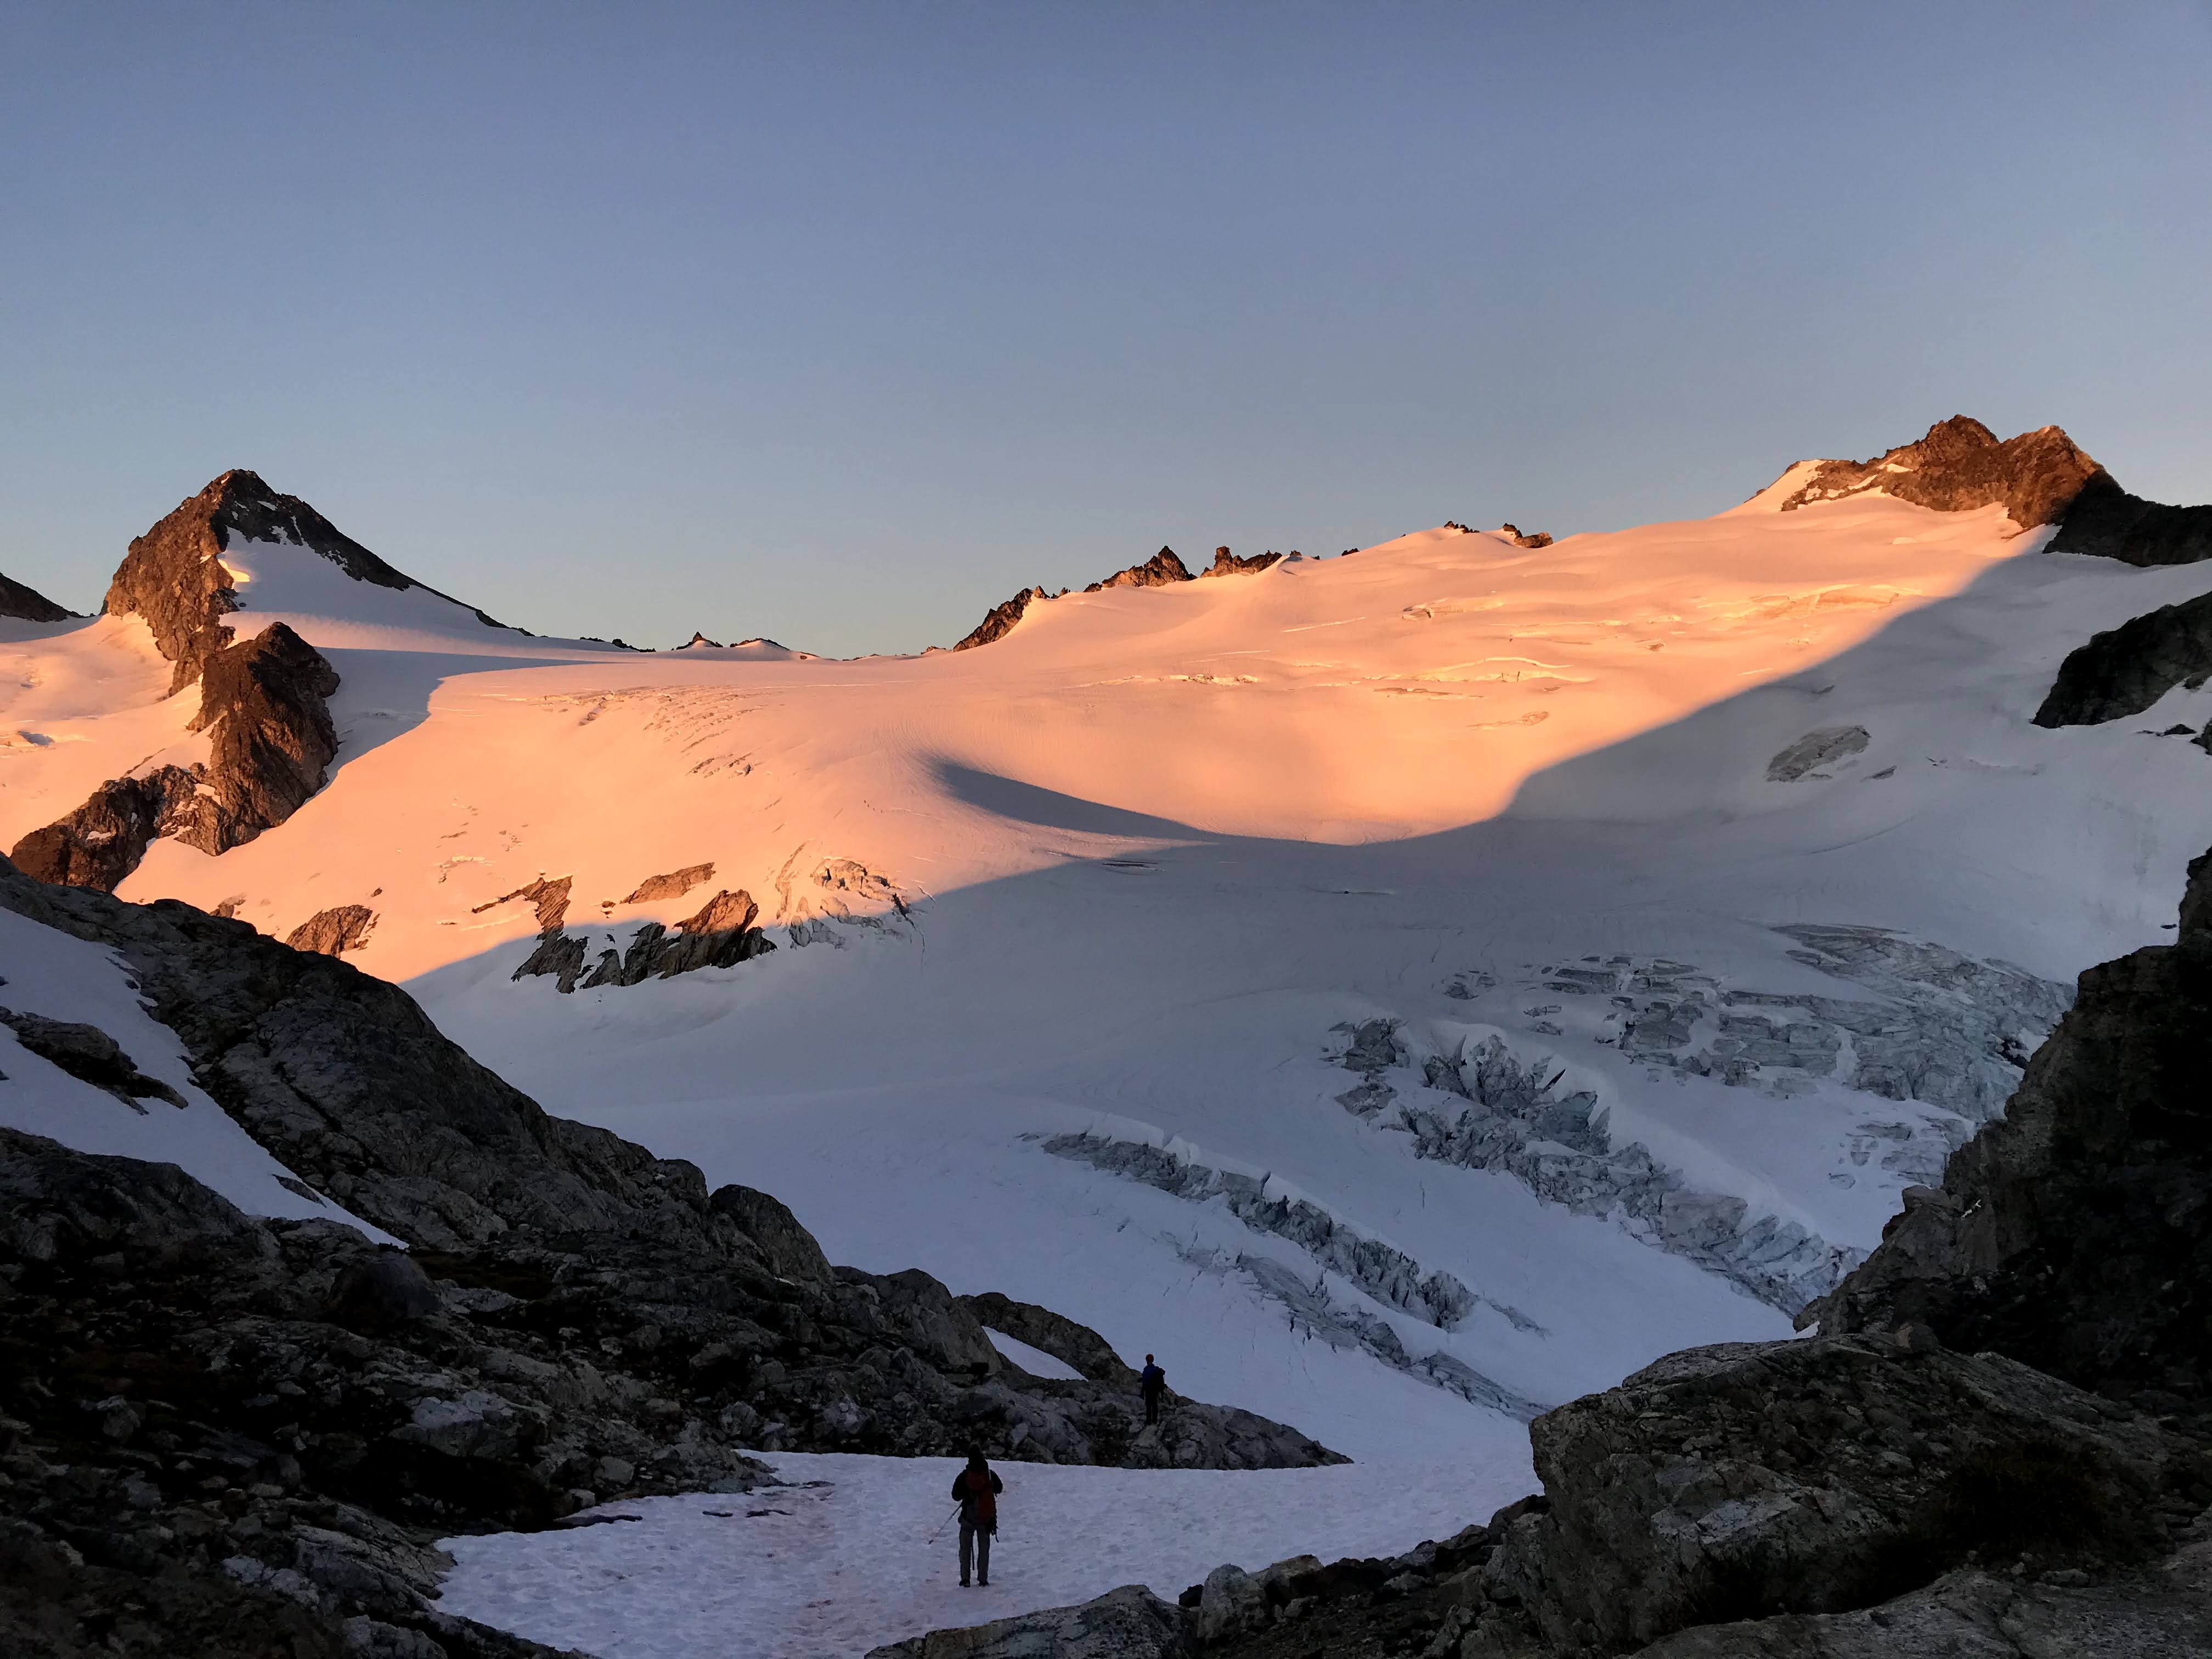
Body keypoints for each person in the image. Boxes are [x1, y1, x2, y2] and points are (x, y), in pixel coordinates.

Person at [951, 1452, 1002, 1587]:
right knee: (984, 1549)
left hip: (968, 1517)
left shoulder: (964, 1476)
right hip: (986, 1519)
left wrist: (967, 1495)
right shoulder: (990, 1474)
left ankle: (965, 1579)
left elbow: (955, 1496)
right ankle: (983, 1579)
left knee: (965, 1549)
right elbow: (1000, 1489)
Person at [1140, 1353, 1166, 1425]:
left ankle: (1148, 1421)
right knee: (1155, 1405)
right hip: (1155, 1390)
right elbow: (1163, 1372)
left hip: (1148, 1389)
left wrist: (1142, 1392)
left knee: (1148, 1406)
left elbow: (1145, 1380)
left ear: (1147, 1360)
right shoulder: (1156, 1369)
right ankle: (1155, 1420)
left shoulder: (1146, 1369)